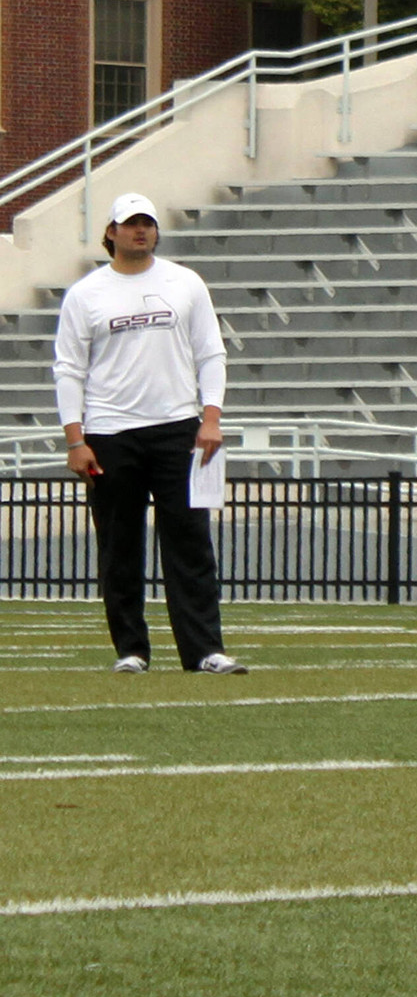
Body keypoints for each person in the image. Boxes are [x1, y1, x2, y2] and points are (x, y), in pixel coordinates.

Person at [53, 192, 245, 675]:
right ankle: (132, 650)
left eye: (148, 223)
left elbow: (210, 353)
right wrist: (76, 440)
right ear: (111, 232)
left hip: (177, 428)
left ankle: (204, 650)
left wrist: (211, 417)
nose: (141, 230)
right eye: (130, 223)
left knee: (190, 541)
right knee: (119, 545)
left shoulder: (185, 283)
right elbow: (69, 370)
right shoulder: (86, 294)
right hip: (110, 432)